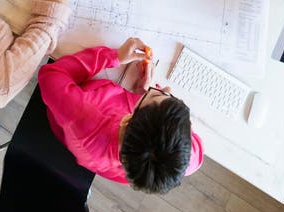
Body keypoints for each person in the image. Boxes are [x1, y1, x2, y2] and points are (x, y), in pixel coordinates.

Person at [38, 37, 203, 193]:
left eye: (156, 94)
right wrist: (146, 91)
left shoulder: (86, 118)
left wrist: (114, 56)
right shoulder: (177, 160)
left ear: (128, 117)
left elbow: (51, 75)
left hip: (72, 107)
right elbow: (196, 153)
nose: (167, 88)